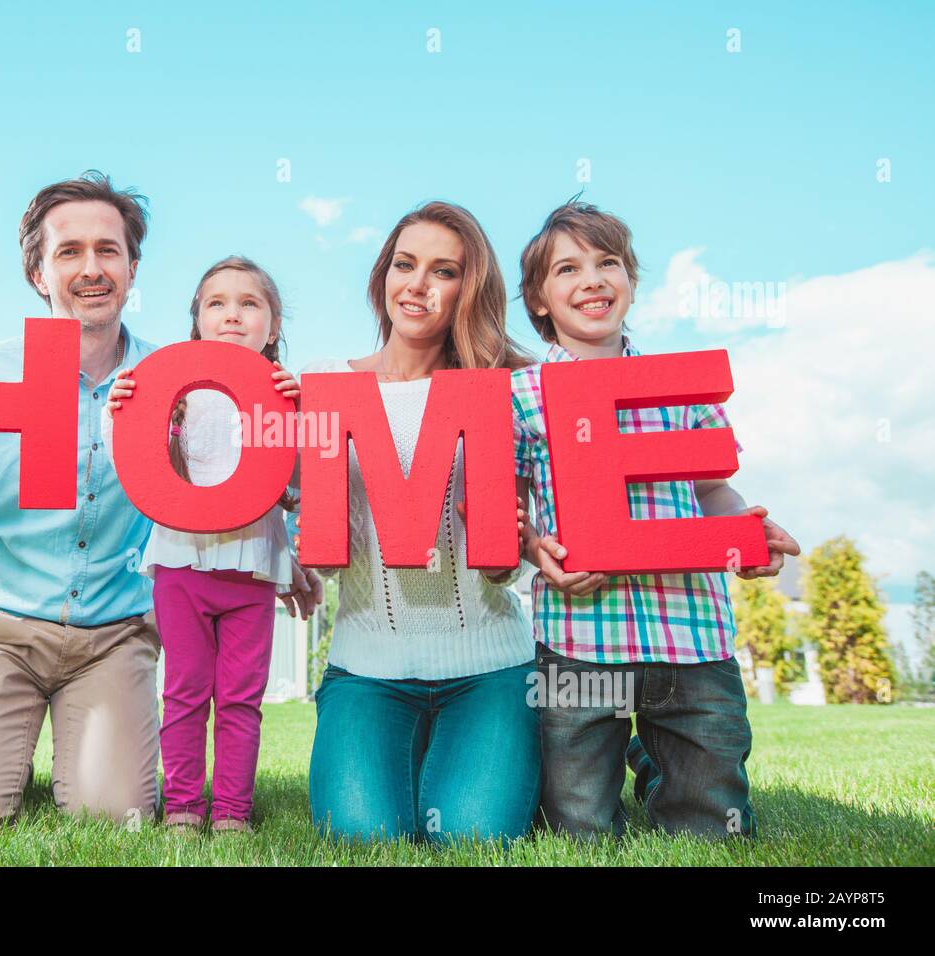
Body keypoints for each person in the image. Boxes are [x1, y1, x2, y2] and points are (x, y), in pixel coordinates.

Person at [0, 171, 322, 829]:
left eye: (108, 250)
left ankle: (78, 745)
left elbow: (226, 485)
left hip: (114, 637)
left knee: (114, 815)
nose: (91, 268)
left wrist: (287, 557)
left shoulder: (182, 380)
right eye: (69, 251)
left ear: (131, 269)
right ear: (38, 272)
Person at [512, 199, 801, 838]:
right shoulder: (522, 396)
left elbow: (715, 488)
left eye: (607, 263)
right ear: (537, 300)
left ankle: (663, 765)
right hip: (581, 636)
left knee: (711, 822)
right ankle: (634, 755)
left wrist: (748, 532)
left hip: (690, 630)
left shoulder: (681, 387)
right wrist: (537, 550)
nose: (591, 279)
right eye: (567, 269)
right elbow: (512, 509)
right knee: (579, 824)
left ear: (632, 284)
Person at [302, 201, 539, 845]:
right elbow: (296, 514)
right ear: (383, 276)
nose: (418, 285)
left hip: (490, 664)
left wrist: (516, 539)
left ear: (469, 288)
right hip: (366, 666)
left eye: (444, 270)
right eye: (405, 265)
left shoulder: (503, 389)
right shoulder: (324, 391)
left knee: (471, 838)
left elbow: (515, 553)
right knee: (361, 838)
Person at [103, 256, 300, 834]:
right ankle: (185, 806)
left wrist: (301, 416)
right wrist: (128, 412)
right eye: (217, 303)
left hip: (252, 569)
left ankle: (234, 810)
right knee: (185, 691)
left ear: (273, 323)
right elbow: (145, 470)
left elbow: (292, 491)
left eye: (249, 303)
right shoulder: (174, 395)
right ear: (197, 321)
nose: (232, 315)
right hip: (181, 565)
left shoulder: (281, 393)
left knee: (241, 698)